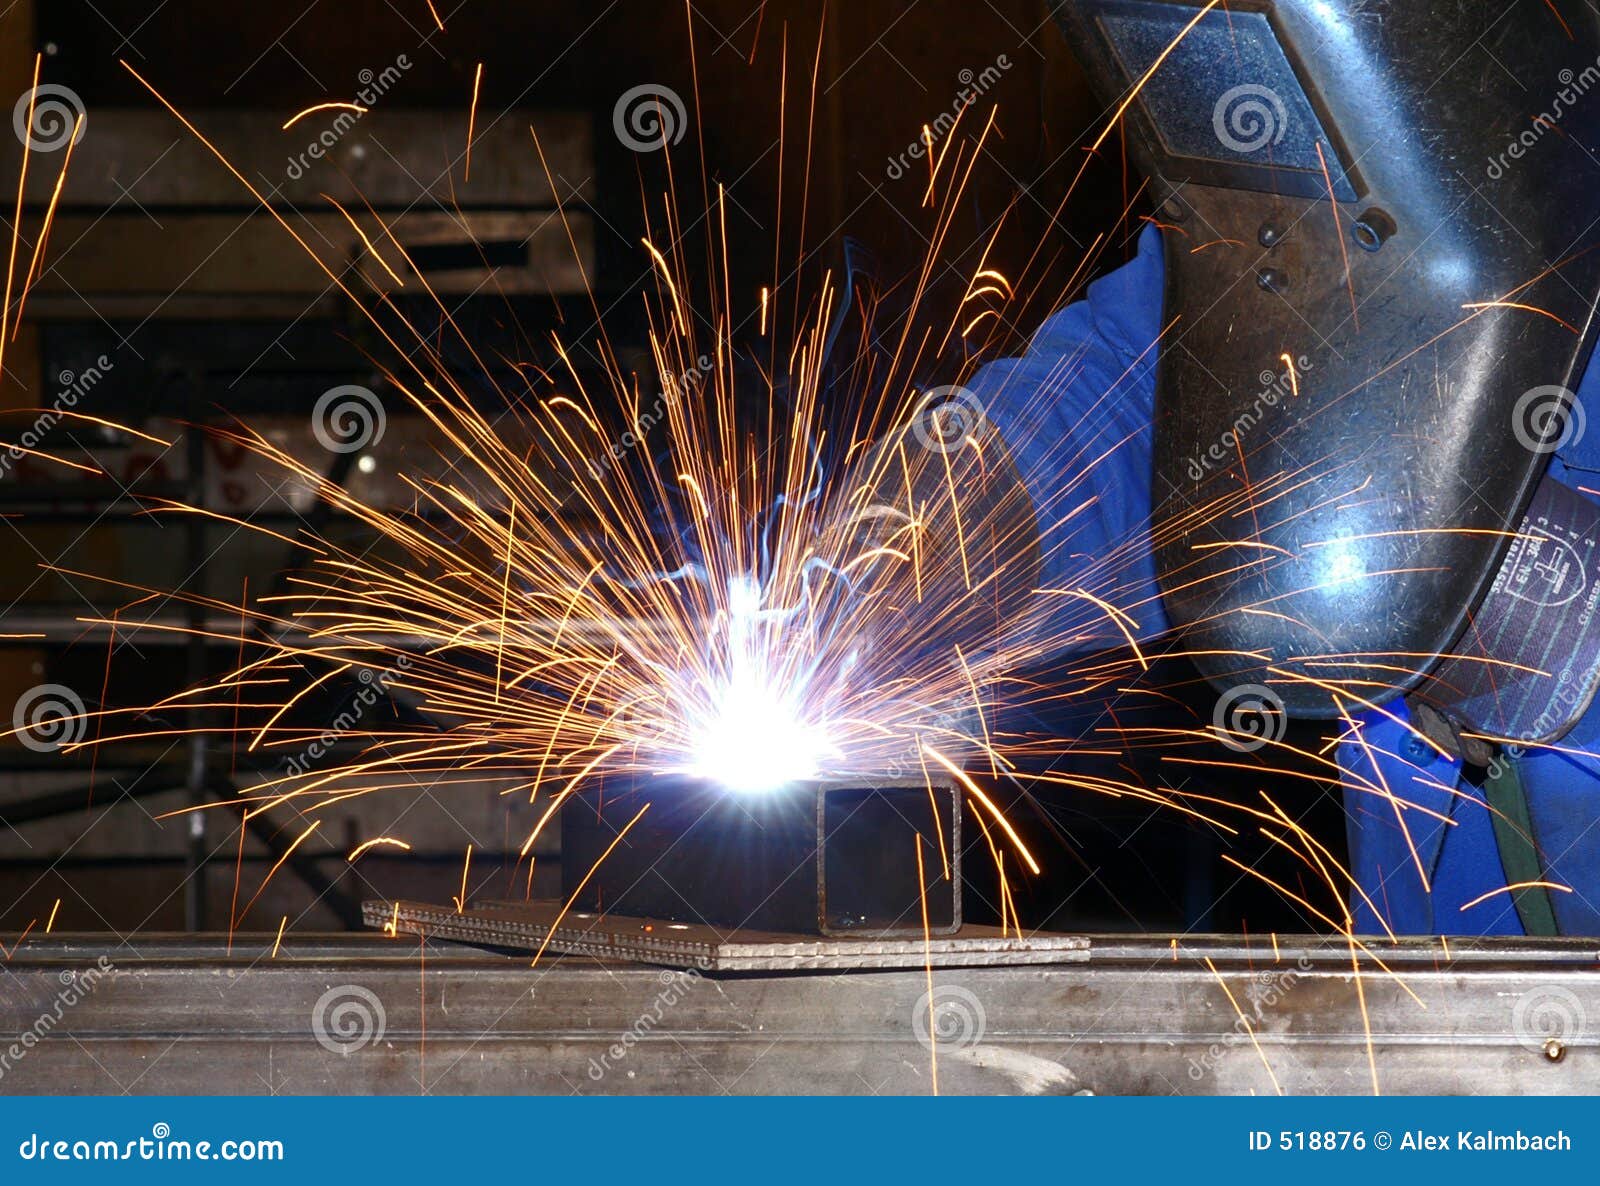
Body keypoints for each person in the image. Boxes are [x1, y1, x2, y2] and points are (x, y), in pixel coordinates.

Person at [963, 222, 1600, 936]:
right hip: (1425, 999)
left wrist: (1541, 607)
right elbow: (1166, 380)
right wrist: (966, 505)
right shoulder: (1410, 128)